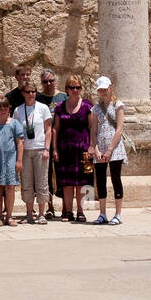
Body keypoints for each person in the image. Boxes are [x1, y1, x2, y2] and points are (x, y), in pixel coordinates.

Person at [52, 75, 93, 223]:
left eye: (77, 87)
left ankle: (80, 211)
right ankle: (68, 212)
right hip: (65, 150)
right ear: (66, 89)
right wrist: (55, 148)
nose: (75, 90)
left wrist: (92, 146)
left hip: (82, 149)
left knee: (81, 182)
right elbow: (55, 129)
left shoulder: (87, 106)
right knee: (67, 183)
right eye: (71, 87)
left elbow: (92, 128)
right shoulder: (60, 107)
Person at [89, 76, 127, 225]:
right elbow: (93, 130)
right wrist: (96, 149)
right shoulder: (95, 109)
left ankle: (117, 214)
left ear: (110, 88)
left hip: (114, 147)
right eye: (101, 90)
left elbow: (119, 129)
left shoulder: (118, 105)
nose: (103, 92)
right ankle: (102, 213)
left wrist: (110, 149)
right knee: (100, 180)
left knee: (116, 178)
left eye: (105, 89)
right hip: (101, 146)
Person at [13, 84, 53, 224]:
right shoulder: (18, 110)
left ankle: (41, 213)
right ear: (23, 93)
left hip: (40, 148)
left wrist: (47, 148)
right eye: (28, 91)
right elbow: (16, 131)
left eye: (33, 91)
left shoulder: (43, 108)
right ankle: (29, 213)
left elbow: (48, 129)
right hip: (25, 150)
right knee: (26, 182)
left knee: (42, 181)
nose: (31, 94)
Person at [0, 96, 24, 226]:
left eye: (5, 107)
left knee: (10, 187)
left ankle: (9, 216)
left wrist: (19, 160)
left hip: (10, 159)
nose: (3, 109)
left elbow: (20, 143)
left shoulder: (14, 123)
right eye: (0, 107)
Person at [39, 69, 67, 217]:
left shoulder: (63, 97)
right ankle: (50, 207)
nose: (48, 84)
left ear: (55, 80)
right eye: (45, 81)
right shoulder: (38, 97)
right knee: (47, 174)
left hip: (62, 140)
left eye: (51, 80)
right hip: (44, 141)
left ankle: (64, 207)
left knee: (62, 173)